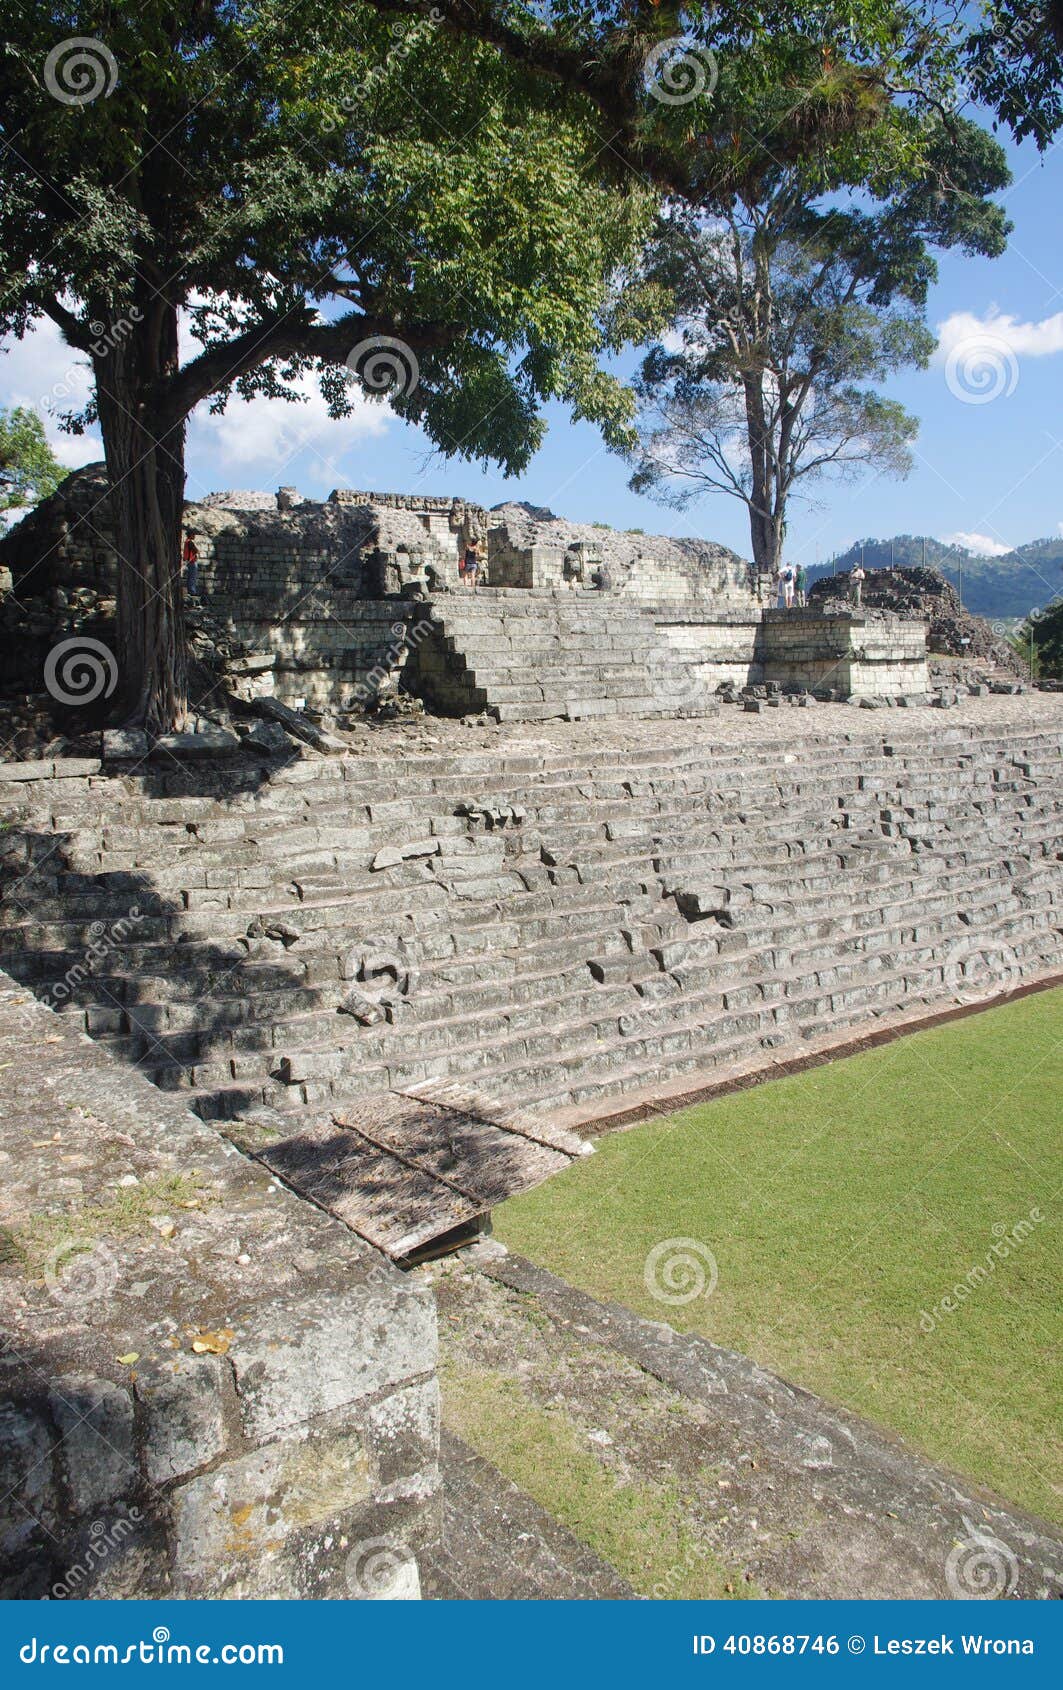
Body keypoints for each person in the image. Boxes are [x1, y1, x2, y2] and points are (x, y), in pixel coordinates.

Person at [183, 528, 200, 598]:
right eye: (193, 535)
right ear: (190, 535)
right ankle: (192, 591)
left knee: (190, 576)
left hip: (189, 561)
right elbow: (196, 551)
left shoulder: (187, 542)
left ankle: (190, 590)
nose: (194, 536)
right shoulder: (190, 542)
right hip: (192, 561)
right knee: (192, 576)